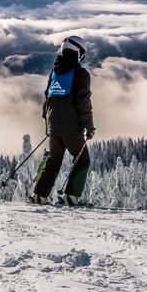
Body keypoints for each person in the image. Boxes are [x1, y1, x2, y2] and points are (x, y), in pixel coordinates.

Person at [30, 36, 95, 206]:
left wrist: (48, 125)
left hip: (54, 125)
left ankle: (39, 196)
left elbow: (48, 100)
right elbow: (83, 102)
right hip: (71, 126)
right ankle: (71, 197)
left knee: (54, 160)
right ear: (78, 52)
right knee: (82, 159)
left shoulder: (54, 72)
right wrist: (89, 127)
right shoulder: (81, 74)